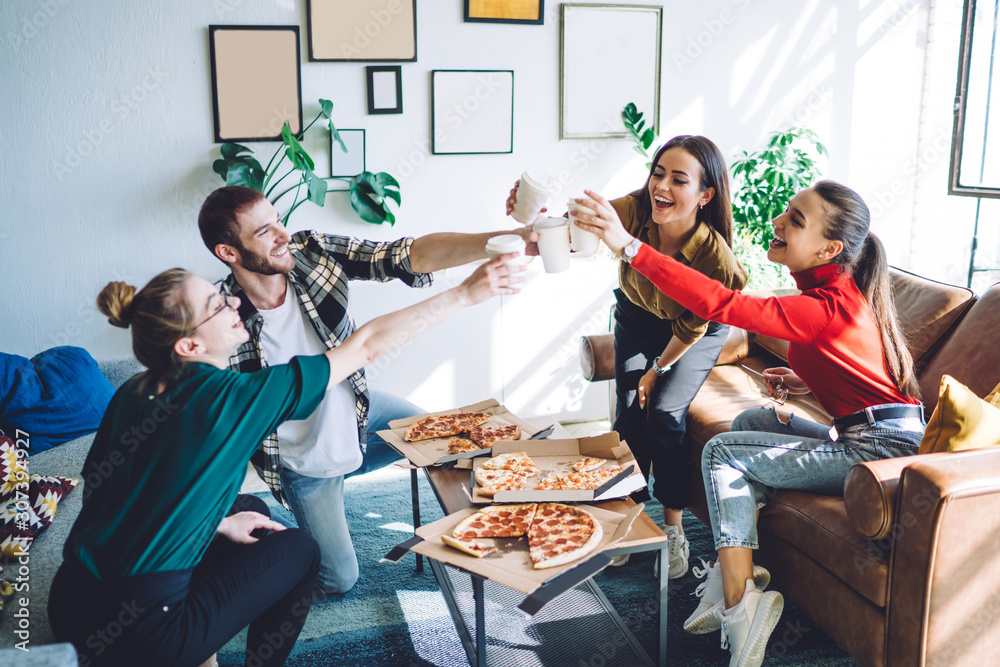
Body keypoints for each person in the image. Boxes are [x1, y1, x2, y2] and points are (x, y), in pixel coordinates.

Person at [48, 255, 524, 667]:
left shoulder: (135, 389)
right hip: (150, 636)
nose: (233, 302)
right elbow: (365, 346)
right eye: (217, 306)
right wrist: (465, 293)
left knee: (243, 515)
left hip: (71, 607)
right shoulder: (229, 397)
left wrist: (216, 525)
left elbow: (107, 490)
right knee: (299, 551)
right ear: (189, 347)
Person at [573, 180, 925, 667]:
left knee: (723, 452)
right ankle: (728, 570)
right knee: (751, 419)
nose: (778, 222)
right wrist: (806, 381)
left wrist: (630, 247)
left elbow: (720, 304)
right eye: (787, 211)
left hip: (879, 452)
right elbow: (869, 377)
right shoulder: (835, 294)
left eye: (796, 220)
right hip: (871, 432)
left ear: (830, 248)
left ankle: (741, 604)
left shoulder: (823, 305)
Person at [197, 185, 536, 596]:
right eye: (264, 232)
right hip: (307, 463)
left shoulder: (311, 252)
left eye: (278, 220)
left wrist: (510, 241)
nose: (283, 235)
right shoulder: (222, 319)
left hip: (358, 413)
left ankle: (495, 526)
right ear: (228, 253)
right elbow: (217, 427)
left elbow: (406, 255)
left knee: (444, 436)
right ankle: (285, 528)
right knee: (339, 580)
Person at [507, 136, 748, 578]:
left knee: (664, 414)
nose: (662, 186)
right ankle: (628, 518)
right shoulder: (636, 210)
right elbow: (575, 229)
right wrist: (540, 221)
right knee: (630, 419)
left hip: (693, 333)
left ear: (705, 195)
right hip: (638, 316)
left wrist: (656, 371)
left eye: (679, 179)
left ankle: (673, 530)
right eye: (658, 173)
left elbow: (690, 327)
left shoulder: (716, 259)